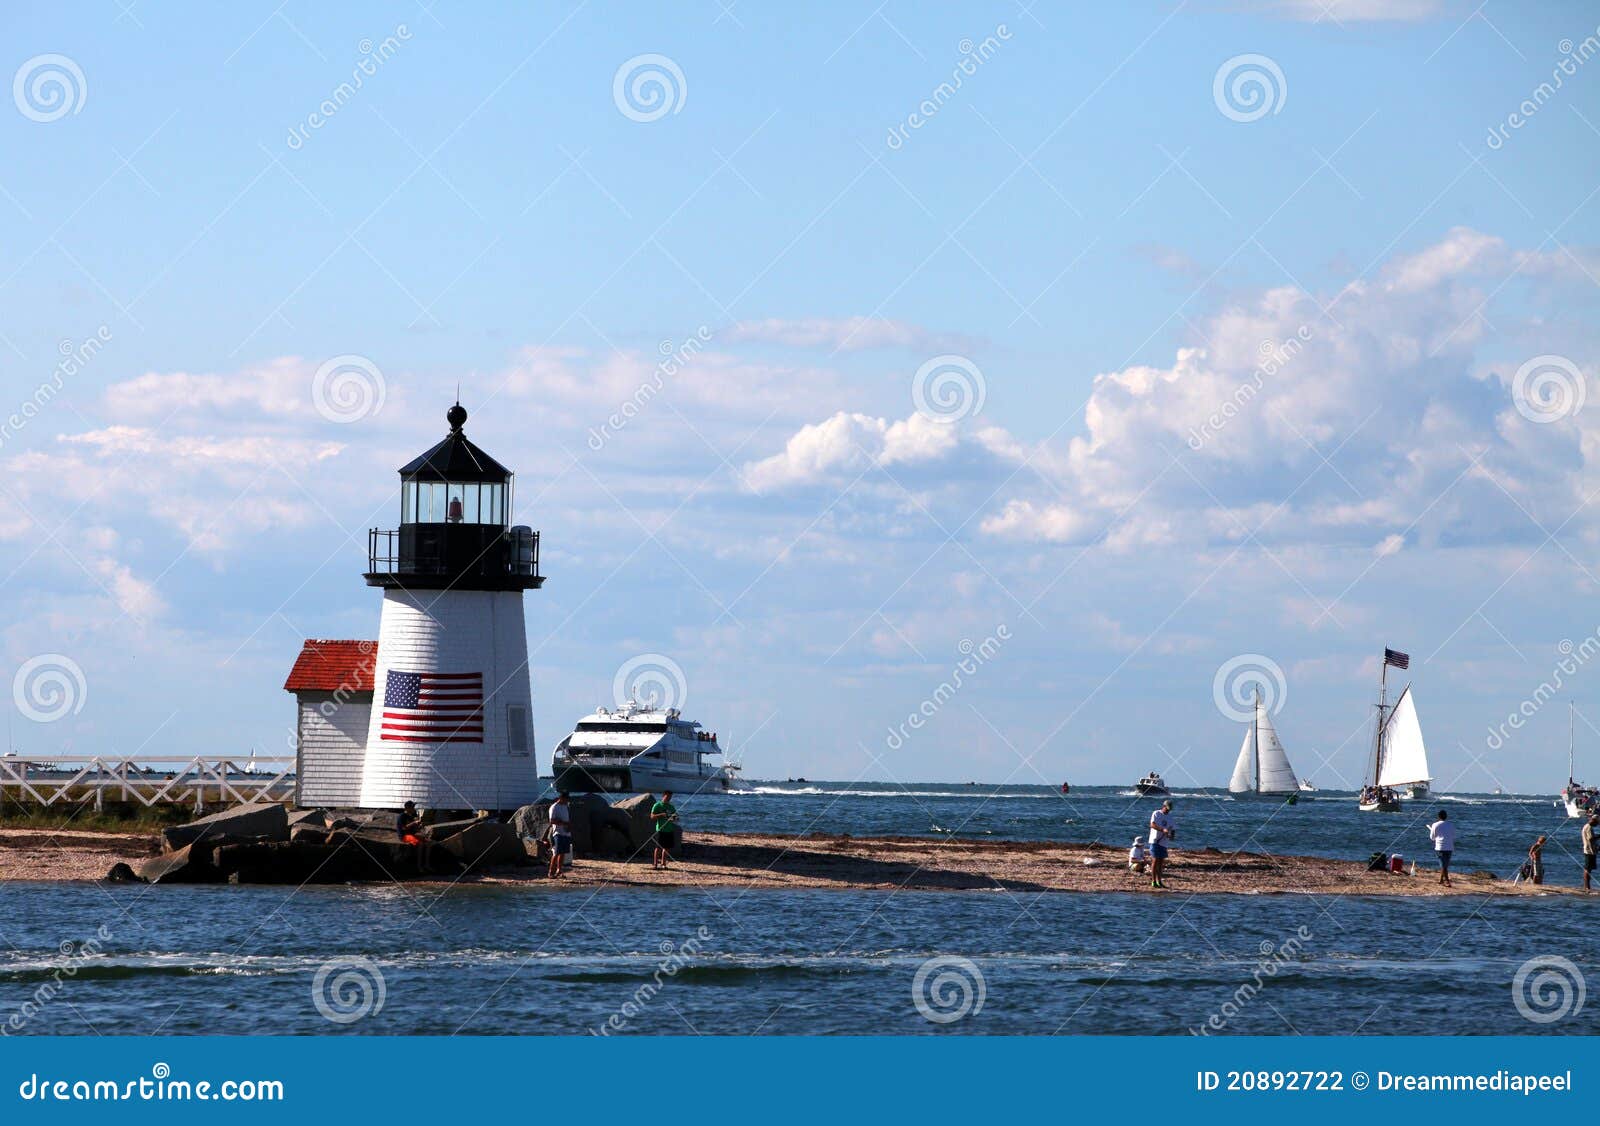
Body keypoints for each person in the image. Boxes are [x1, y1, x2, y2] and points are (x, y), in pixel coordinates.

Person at [397, 800, 433, 873]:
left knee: (429, 842)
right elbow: (404, 828)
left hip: (413, 834)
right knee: (420, 844)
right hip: (404, 836)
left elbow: (415, 829)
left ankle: (427, 864)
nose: (414, 809)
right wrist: (414, 823)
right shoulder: (402, 816)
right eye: (412, 807)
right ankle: (419, 866)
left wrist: (419, 825)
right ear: (407, 808)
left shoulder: (412, 816)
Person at [1147, 800, 1176, 889]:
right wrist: (1162, 829)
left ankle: (1159, 881)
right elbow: (1152, 825)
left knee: (1161, 863)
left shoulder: (1170, 817)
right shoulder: (1156, 813)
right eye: (1167, 809)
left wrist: (1171, 836)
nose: (1168, 811)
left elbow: (1173, 829)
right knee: (1155, 861)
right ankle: (1153, 881)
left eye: (1169, 810)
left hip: (1164, 843)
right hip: (1155, 841)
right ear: (1163, 806)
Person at [547, 793, 573, 879]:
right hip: (558, 833)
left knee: (562, 853)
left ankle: (559, 871)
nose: (567, 801)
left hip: (566, 833)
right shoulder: (554, 807)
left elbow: (567, 819)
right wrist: (563, 823)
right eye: (566, 799)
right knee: (556, 852)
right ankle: (551, 872)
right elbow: (551, 821)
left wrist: (569, 826)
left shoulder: (565, 806)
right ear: (561, 798)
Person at [651, 790, 679, 869]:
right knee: (658, 847)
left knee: (666, 848)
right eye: (668, 796)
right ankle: (655, 864)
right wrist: (661, 814)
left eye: (670, 797)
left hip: (669, 829)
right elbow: (652, 816)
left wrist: (674, 818)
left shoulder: (671, 806)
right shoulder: (657, 805)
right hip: (660, 829)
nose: (669, 798)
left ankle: (663, 864)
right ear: (663, 796)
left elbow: (676, 817)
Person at [1428, 809, 1455, 887]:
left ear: (1438, 817)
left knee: (1443, 866)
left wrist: (1437, 837)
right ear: (1446, 817)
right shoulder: (1451, 825)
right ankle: (1441, 880)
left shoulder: (1434, 825)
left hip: (1440, 847)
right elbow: (1453, 836)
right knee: (1445, 865)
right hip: (1449, 847)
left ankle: (1447, 881)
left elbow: (1432, 838)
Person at [1584, 814, 1598, 892]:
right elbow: (1591, 839)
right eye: (1597, 823)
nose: (1597, 824)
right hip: (1589, 850)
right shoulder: (1588, 828)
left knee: (1589, 868)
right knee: (1588, 868)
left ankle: (1587, 886)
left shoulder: (1587, 827)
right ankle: (1587, 887)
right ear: (1593, 821)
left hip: (1590, 850)